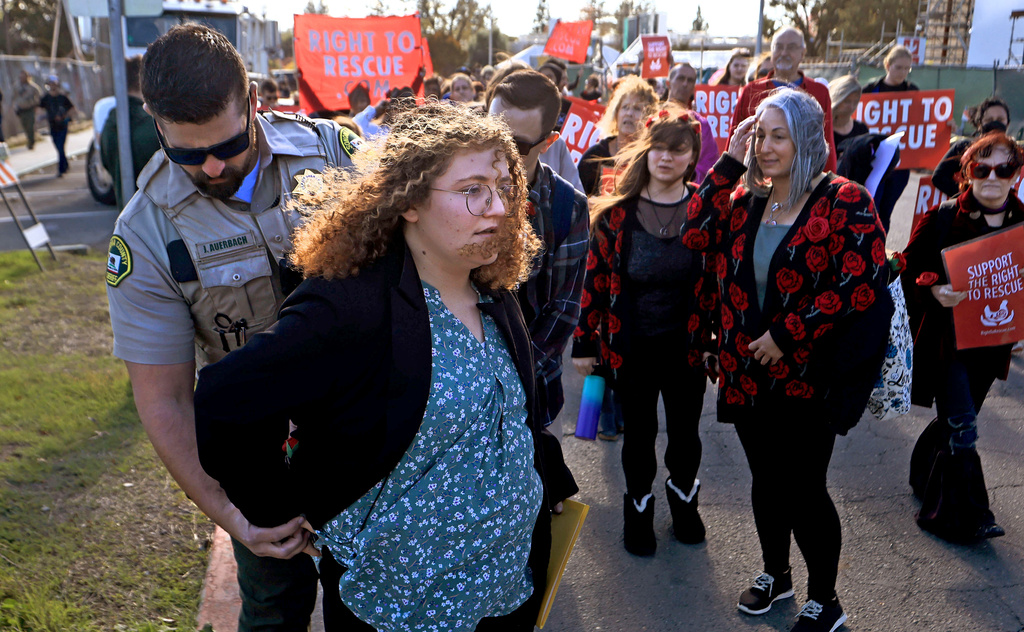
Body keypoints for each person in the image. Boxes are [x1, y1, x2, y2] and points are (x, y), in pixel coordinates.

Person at [193, 102, 578, 631]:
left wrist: (542, 472)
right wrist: (275, 508)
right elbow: (225, 399)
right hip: (399, 610)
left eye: (504, 188)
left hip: (506, 592)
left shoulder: (491, 289)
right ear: (410, 200)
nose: (498, 207)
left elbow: (503, 407)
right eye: (472, 191)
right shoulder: (351, 307)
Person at [105, 24, 359, 632]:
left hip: (368, 425)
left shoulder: (336, 155)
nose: (214, 165)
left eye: (228, 143)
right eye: (188, 154)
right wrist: (234, 518)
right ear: (156, 122)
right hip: (262, 458)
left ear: (251, 100)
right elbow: (164, 400)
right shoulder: (144, 235)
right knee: (273, 608)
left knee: (376, 601)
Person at [684, 89, 891, 632]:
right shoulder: (747, 197)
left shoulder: (844, 200)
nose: (767, 147)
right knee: (765, 480)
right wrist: (728, 160)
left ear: (807, 140)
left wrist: (787, 332)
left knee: (804, 486)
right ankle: (777, 575)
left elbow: (861, 284)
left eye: (780, 136)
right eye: (760, 135)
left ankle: (826, 599)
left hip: (808, 376)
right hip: (746, 373)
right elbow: (694, 233)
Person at [572, 105, 708, 556]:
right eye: (659, 148)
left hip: (686, 349)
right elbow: (592, 280)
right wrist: (584, 343)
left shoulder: (704, 212)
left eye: (678, 149)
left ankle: (685, 504)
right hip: (630, 348)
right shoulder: (616, 216)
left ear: (692, 156)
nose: (666, 157)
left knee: (686, 436)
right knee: (640, 436)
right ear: (646, 152)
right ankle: (639, 512)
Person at [902, 132, 1023, 543]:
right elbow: (907, 268)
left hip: (992, 346)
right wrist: (933, 288)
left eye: (1004, 168)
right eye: (982, 168)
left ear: (1016, 175)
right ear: (966, 173)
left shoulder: (1023, 226)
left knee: (955, 422)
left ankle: (924, 474)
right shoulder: (940, 218)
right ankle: (966, 516)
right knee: (964, 427)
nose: (993, 177)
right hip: (946, 344)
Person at [487, 69, 590, 432]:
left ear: (549, 142)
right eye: (489, 134)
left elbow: (561, 313)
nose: (498, 151)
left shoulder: (567, 207)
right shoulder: (446, 191)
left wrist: (508, 382)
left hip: (530, 391)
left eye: (516, 144)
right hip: (446, 389)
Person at [730, 27, 837, 173]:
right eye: (778, 47)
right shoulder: (751, 91)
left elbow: (826, 144)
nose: (784, 53)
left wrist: (827, 188)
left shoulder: (819, 92)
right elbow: (735, 140)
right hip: (757, 182)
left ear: (803, 53)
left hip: (805, 183)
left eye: (791, 47)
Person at [861, 46, 918, 233]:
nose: (903, 72)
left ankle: (880, 249)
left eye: (907, 68)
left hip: (900, 166)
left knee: (886, 212)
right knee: (871, 208)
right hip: (874, 161)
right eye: (899, 67)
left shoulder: (913, 91)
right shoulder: (870, 89)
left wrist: (944, 123)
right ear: (887, 64)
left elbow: (925, 119)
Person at [578, 75, 658, 196]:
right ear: (616, 114)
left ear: (649, 117)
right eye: (625, 107)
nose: (629, 113)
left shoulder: (652, 158)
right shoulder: (594, 156)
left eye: (637, 109)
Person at [100, 55, 161, 210]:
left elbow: (106, 164)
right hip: (157, 220)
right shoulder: (152, 124)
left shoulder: (110, 123)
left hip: (126, 214)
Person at [932, 97, 1012, 198]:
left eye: (1000, 119)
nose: (995, 123)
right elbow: (939, 177)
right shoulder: (964, 148)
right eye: (989, 120)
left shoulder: (1015, 152)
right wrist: (967, 196)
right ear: (980, 124)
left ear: (1007, 124)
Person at [665, 62, 721, 184]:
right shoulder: (652, 117)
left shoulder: (701, 124)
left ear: (694, 88)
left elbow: (709, 166)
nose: (685, 84)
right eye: (680, 78)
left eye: (690, 80)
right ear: (668, 83)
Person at [39, 76, 75, 177]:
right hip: (52, 125)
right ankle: (65, 164)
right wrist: (40, 118)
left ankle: (61, 169)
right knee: (58, 146)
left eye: (54, 83)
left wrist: (66, 117)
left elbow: (72, 109)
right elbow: (39, 109)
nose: (52, 86)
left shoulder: (63, 98)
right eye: (50, 84)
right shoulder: (46, 98)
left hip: (63, 125)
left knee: (60, 146)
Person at [828, 75, 868, 159]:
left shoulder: (861, 129)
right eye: (847, 101)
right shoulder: (823, 129)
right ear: (837, 99)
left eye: (855, 102)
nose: (851, 107)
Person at [14, 70, 42, 150]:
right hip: (21, 109)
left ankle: (31, 142)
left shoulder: (32, 87)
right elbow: (14, 97)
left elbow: (39, 96)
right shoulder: (17, 86)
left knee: (30, 126)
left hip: (30, 109)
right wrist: (15, 107)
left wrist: (36, 105)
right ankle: (29, 139)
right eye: (21, 76)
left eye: (24, 76)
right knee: (24, 126)